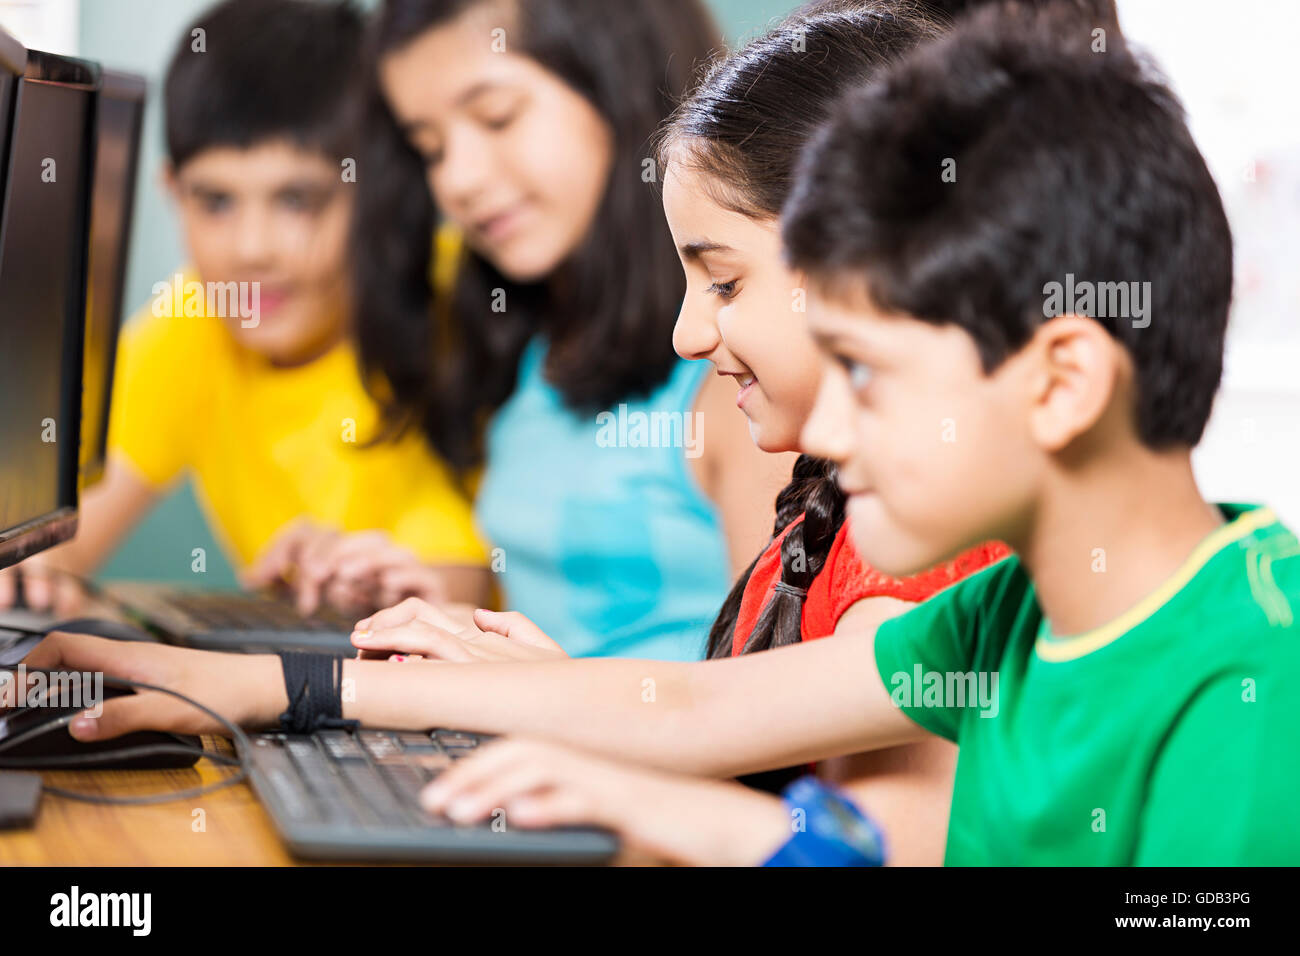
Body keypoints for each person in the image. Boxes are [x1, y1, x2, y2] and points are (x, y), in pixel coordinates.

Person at [0, 0, 491, 617]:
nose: (252, 250)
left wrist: (374, 591)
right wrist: (36, 575)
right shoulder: (190, 325)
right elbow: (48, 547)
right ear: (170, 192)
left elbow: (457, 598)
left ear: (373, 192)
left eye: (297, 199)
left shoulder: (464, 302)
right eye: (216, 201)